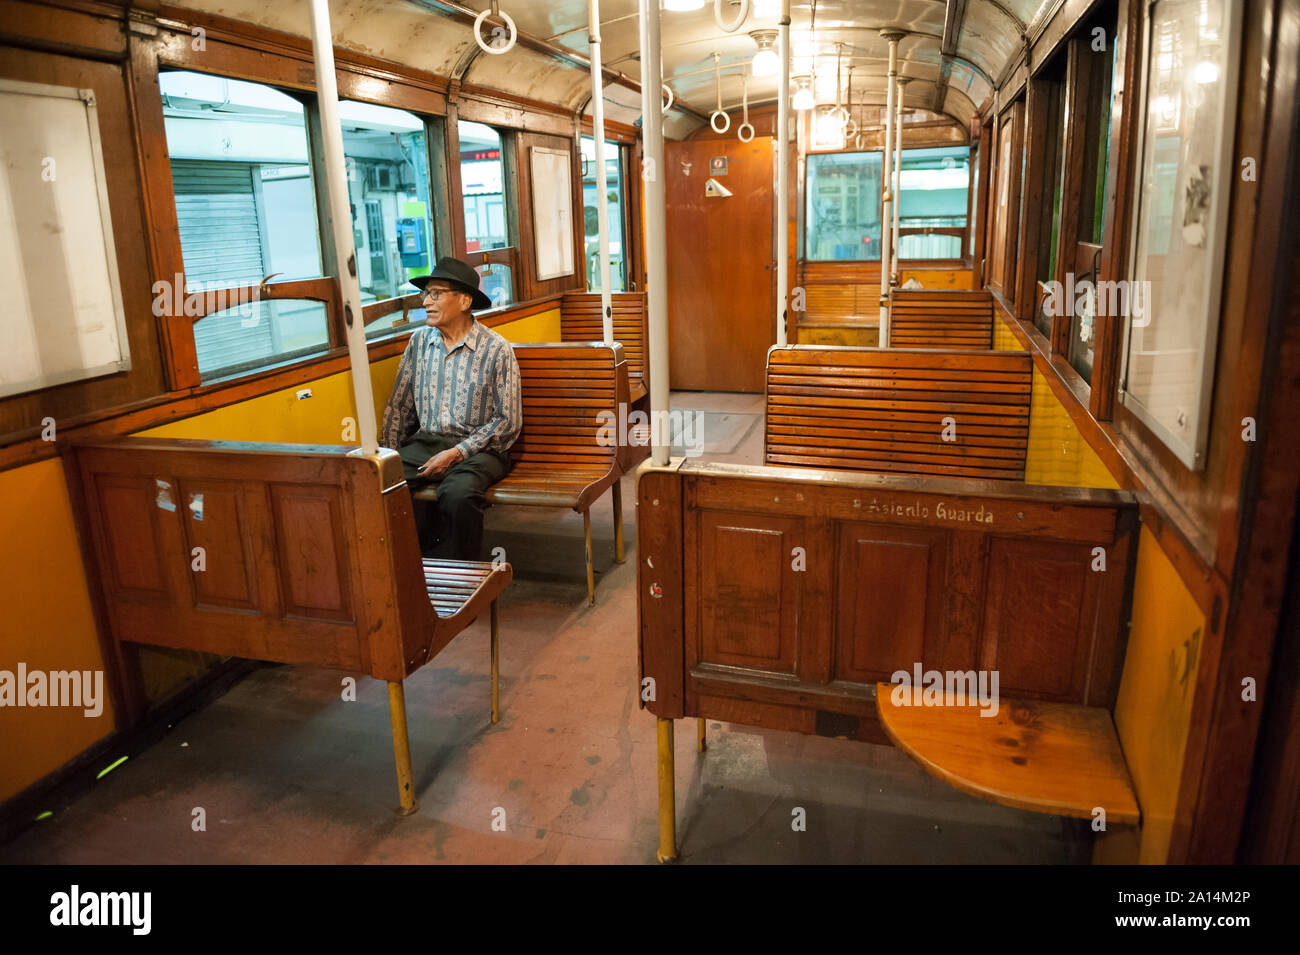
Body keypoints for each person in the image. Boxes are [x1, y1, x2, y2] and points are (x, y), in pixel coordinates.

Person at [381, 256, 521, 560]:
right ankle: (409, 569)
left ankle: (464, 578)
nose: (426, 302)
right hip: (427, 442)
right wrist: (387, 458)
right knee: (381, 482)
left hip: (480, 450)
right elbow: (399, 408)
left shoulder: (497, 349)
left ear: (465, 301)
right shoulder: (419, 342)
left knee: (458, 494)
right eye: (425, 294)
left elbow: (507, 422)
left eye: (436, 294)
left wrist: (457, 453)